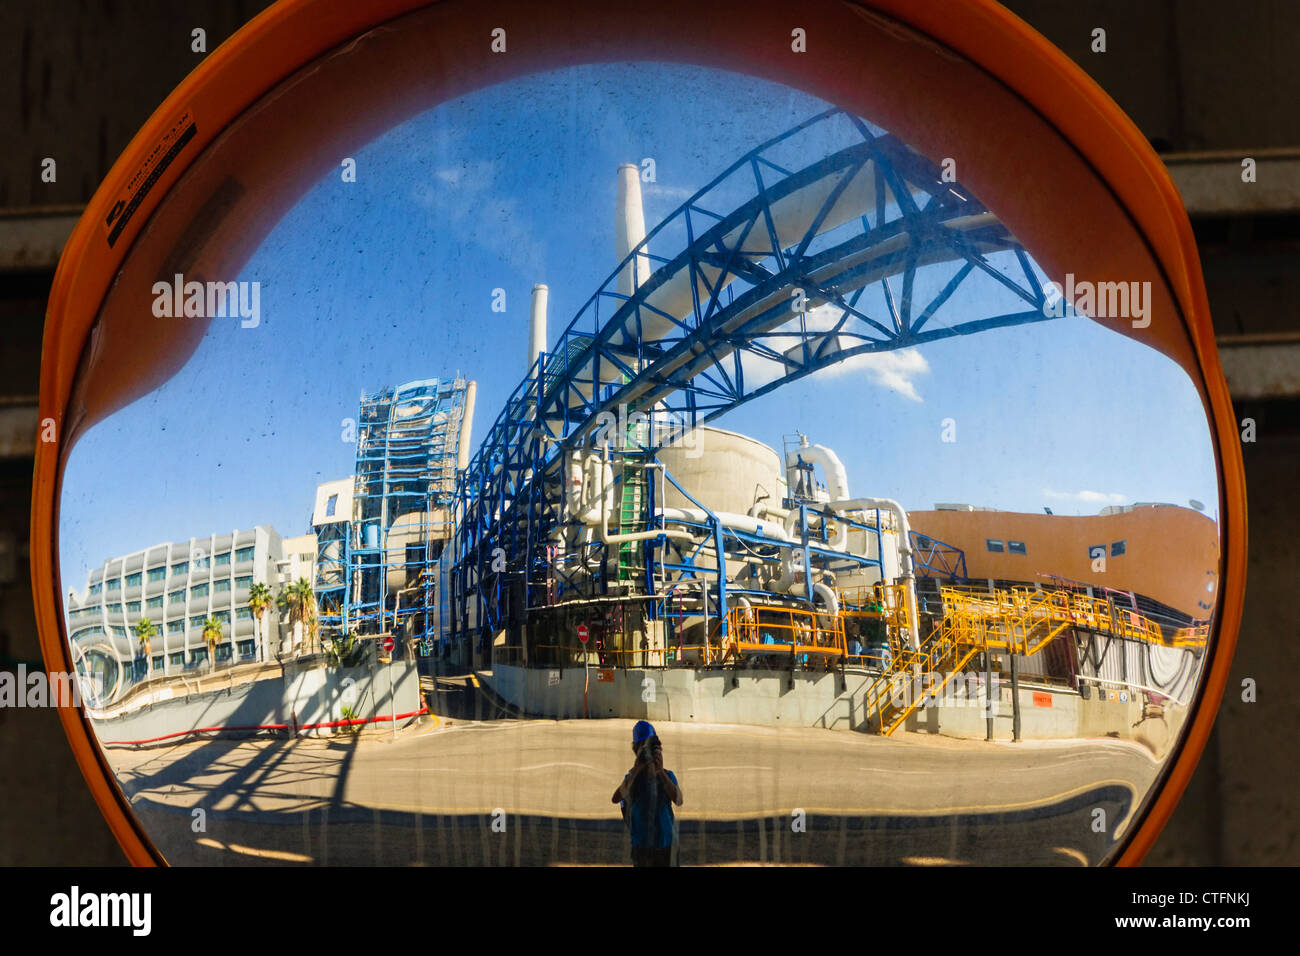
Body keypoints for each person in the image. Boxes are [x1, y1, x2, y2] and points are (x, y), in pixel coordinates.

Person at [611, 720, 683, 866]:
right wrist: (636, 769)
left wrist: (660, 772)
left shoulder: (667, 776)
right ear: (636, 751)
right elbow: (616, 798)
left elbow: (678, 800)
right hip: (642, 846)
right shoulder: (632, 779)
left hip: (667, 844)